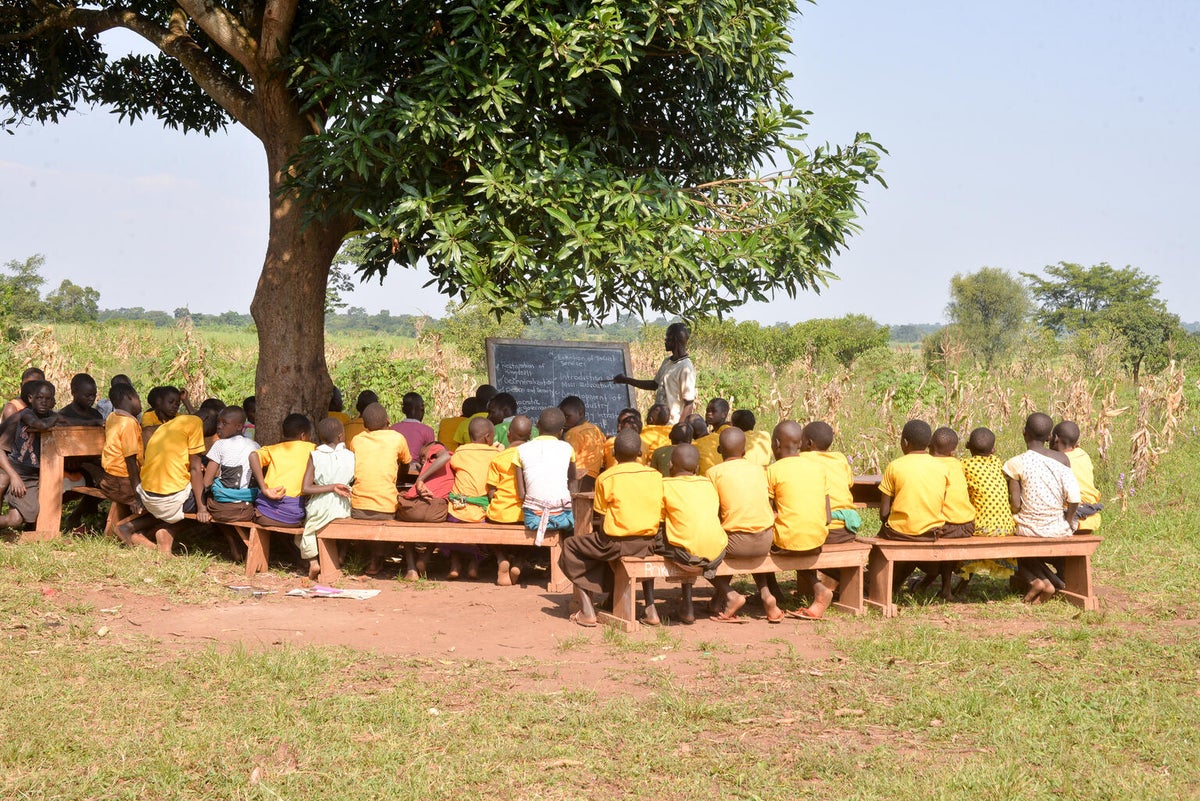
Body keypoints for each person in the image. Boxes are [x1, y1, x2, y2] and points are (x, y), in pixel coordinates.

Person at [559, 429, 663, 627]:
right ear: (640, 454)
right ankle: (650, 608)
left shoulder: (606, 478)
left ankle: (588, 610)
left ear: (614, 455)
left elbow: (602, 514)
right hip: (649, 543)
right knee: (608, 546)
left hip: (616, 543)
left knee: (572, 545)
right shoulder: (656, 476)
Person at [1004, 413, 1080, 603]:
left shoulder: (1015, 462)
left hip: (1027, 528)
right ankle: (1052, 580)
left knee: (1008, 536)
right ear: (1049, 437)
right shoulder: (1063, 460)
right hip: (1056, 527)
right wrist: (1068, 521)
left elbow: (1015, 504)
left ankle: (1038, 580)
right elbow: (1074, 498)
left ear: (1024, 433)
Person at [765, 421, 835, 620]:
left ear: (776, 444)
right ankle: (819, 589)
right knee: (795, 535)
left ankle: (767, 594)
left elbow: (765, 513)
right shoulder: (818, 469)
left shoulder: (773, 470)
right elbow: (828, 516)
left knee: (758, 540)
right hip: (817, 539)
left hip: (787, 542)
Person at [658, 444, 727, 624]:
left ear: (671, 465)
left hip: (687, 556)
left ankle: (681, 605)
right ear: (697, 468)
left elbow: (659, 520)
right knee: (685, 533)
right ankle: (688, 602)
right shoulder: (708, 484)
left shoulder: (664, 485)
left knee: (662, 536)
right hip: (718, 552)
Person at [136, 406, 218, 553]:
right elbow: (194, 469)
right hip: (170, 502)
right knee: (213, 494)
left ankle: (149, 532)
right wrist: (202, 508)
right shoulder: (195, 423)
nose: (218, 430)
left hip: (147, 497)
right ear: (206, 419)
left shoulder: (168, 425)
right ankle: (169, 531)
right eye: (218, 424)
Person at [348, 402, 411, 573]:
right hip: (386, 508)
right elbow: (406, 463)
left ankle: (363, 557)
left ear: (366, 425)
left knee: (365, 520)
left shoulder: (357, 440)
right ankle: (376, 560)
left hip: (358, 507)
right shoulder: (397, 438)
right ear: (388, 420)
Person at [957, 427, 1016, 586]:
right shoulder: (997, 462)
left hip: (982, 527)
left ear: (967, 445)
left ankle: (960, 583)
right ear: (994, 449)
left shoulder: (964, 466)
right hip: (1006, 527)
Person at [0, 380, 62, 532]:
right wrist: (14, 476)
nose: (44, 402)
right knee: (14, 520)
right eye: (40, 398)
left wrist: (98, 421)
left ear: (53, 401)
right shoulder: (21, 416)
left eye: (48, 399)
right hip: (15, 471)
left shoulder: (51, 416)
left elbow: (73, 421)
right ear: (30, 399)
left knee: (31, 514)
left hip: (33, 476)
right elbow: (0, 450)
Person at [299, 417, 355, 580]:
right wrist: (337, 486)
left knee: (308, 531)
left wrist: (330, 486)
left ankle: (313, 562)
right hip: (344, 504)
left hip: (320, 506)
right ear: (340, 436)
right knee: (345, 523)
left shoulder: (315, 455)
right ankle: (341, 554)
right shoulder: (350, 455)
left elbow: (306, 488)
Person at [98, 382, 153, 546]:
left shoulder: (113, 417)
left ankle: (138, 531)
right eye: (138, 398)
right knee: (157, 501)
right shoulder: (128, 423)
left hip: (110, 477)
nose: (140, 403)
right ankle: (129, 529)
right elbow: (130, 461)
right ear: (130, 398)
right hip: (123, 480)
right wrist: (138, 493)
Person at [613, 322, 696, 424]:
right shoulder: (667, 361)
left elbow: (689, 403)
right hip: (659, 423)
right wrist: (626, 380)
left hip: (672, 425)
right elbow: (653, 385)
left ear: (674, 339)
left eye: (667, 337)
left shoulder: (685, 367)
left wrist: (680, 427)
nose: (665, 341)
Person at [515, 408, 578, 541]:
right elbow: (573, 480)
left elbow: (521, 494)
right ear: (561, 431)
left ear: (537, 425)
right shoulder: (567, 448)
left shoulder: (520, 450)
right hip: (563, 518)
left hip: (533, 519)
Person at [486, 415, 533, 586]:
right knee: (535, 532)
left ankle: (501, 558)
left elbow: (491, 492)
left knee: (487, 521)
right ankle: (520, 560)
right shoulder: (533, 458)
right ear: (530, 437)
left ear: (509, 435)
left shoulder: (498, 458)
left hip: (500, 514)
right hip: (526, 516)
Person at [249, 413, 316, 528]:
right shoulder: (313, 449)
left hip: (264, 514)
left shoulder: (273, 449)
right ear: (303, 435)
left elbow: (253, 456)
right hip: (293, 517)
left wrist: (264, 489)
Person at [57, 373, 105, 530]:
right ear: (74, 392)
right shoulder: (64, 414)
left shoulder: (96, 414)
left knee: (108, 483)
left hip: (91, 462)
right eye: (87, 395)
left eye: (94, 395)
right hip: (68, 464)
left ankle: (76, 516)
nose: (91, 399)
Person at [203, 406, 260, 523]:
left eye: (224, 423)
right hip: (246, 509)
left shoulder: (219, 445)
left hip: (220, 510)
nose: (219, 426)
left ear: (239, 426)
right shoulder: (255, 446)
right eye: (218, 422)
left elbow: (206, 482)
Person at [1052, 420, 1103, 532]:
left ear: (1055, 438)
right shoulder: (1083, 455)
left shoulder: (1057, 461)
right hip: (1091, 516)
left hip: (1071, 517)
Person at [559, 395, 605, 491]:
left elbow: (568, 460)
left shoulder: (573, 433)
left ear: (580, 413)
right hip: (595, 477)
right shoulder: (595, 429)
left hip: (577, 478)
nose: (564, 420)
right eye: (562, 416)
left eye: (567, 416)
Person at [390, 391, 436, 464]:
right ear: (422, 409)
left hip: (396, 470)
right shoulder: (428, 431)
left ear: (403, 410)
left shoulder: (393, 428)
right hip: (417, 473)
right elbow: (429, 458)